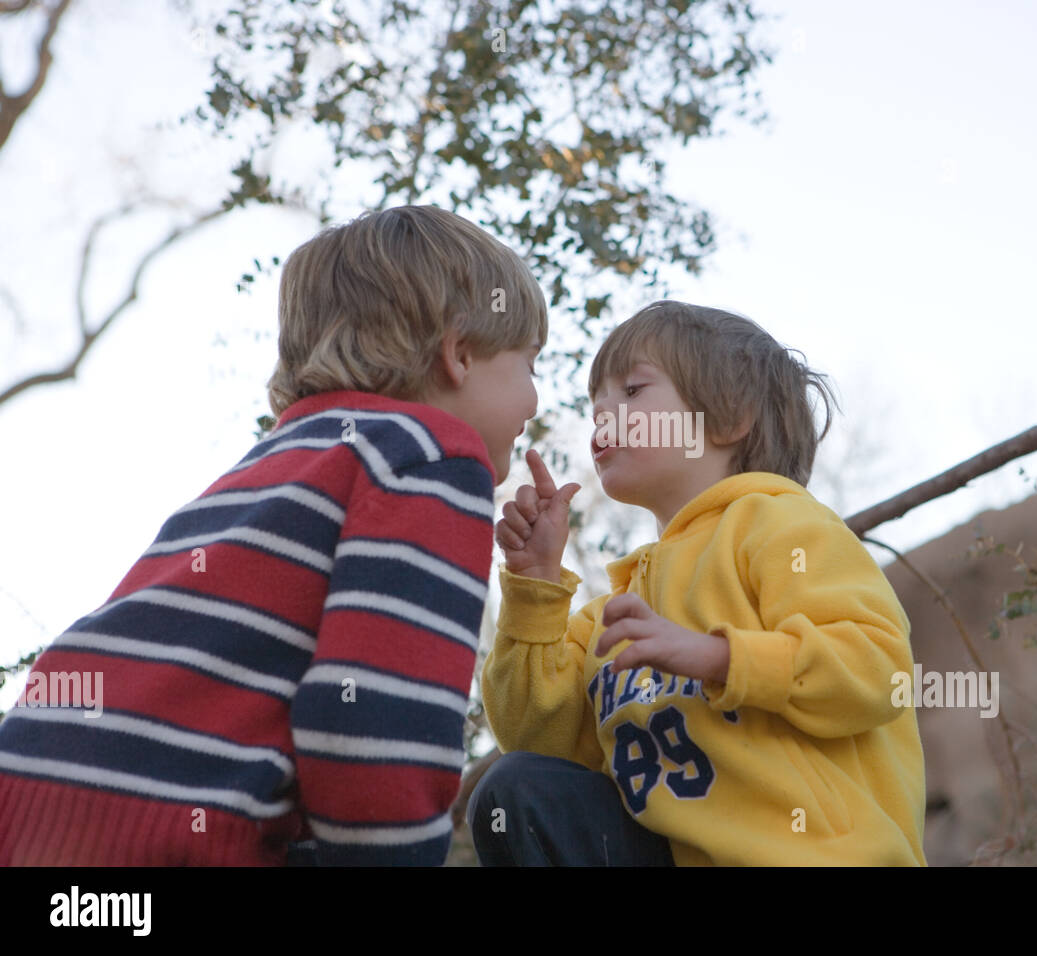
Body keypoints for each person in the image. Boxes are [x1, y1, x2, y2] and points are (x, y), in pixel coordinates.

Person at [0, 204, 545, 865]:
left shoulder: (276, 461)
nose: (535, 402)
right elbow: (370, 717)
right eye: (530, 366)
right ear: (459, 354)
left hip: (33, 796)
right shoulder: (432, 456)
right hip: (171, 833)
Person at [470, 300, 927, 866]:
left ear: (731, 417)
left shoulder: (785, 526)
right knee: (517, 791)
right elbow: (538, 740)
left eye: (633, 390)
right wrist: (534, 585)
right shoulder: (616, 613)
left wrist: (721, 658)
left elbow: (878, 669)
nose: (603, 413)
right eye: (596, 404)